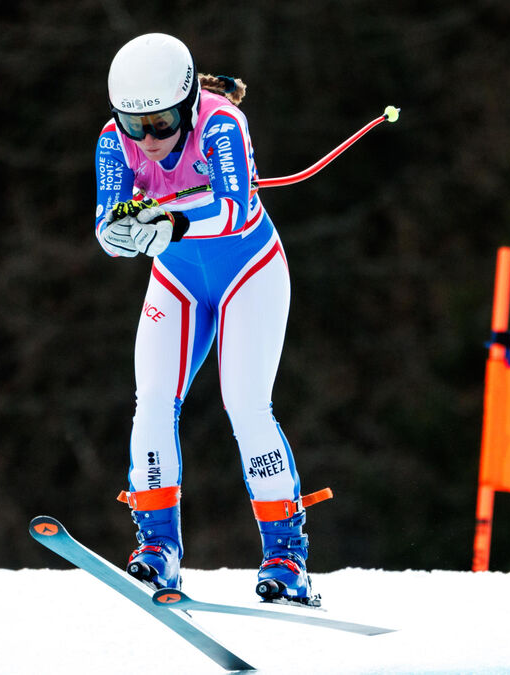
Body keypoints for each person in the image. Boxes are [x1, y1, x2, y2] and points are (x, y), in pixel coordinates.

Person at [95, 33, 327, 606]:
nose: (148, 140)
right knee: (152, 398)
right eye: (134, 124)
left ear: (190, 101)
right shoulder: (113, 141)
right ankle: (158, 548)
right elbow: (107, 220)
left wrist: (169, 224)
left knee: (245, 404)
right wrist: (119, 234)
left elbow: (234, 209)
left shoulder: (222, 124)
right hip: (178, 279)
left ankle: (286, 557)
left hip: (249, 270)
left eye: (163, 123)